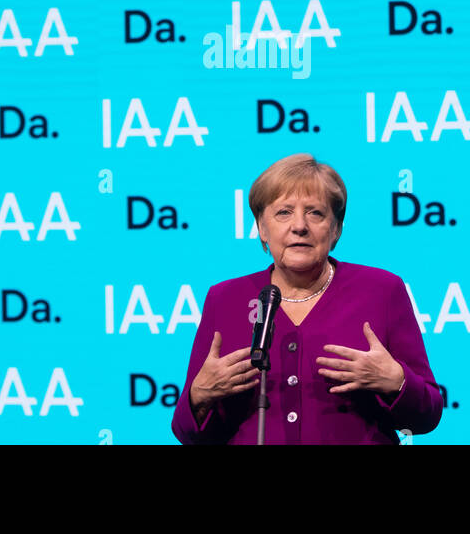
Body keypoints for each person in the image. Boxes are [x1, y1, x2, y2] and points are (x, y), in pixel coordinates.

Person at [171, 153, 443, 444]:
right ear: (262, 228)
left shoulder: (382, 290)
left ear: (336, 228)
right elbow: (187, 433)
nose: (299, 226)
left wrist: (396, 382)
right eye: (283, 212)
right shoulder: (225, 299)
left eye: (315, 212)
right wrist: (200, 396)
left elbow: (428, 414)